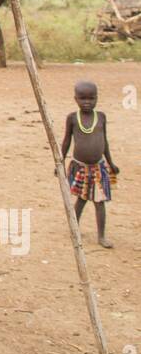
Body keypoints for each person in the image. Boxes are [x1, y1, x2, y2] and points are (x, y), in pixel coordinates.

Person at [61, 80, 118, 247]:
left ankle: (101, 236)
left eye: (91, 98)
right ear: (75, 99)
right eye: (82, 98)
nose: (87, 102)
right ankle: (74, 230)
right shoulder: (72, 118)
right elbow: (66, 141)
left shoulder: (101, 117)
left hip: (99, 167)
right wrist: (60, 161)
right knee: (81, 199)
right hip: (80, 167)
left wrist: (111, 163)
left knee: (100, 202)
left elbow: (104, 141)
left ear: (97, 98)